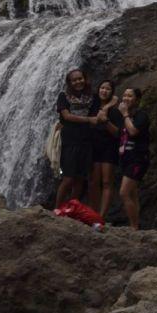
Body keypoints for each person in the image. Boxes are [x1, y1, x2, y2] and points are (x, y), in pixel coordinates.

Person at [55, 68, 100, 208]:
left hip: (86, 141)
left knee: (80, 178)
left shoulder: (93, 97)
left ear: (85, 79)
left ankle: (70, 209)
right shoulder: (64, 96)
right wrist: (88, 120)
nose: (78, 82)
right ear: (69, 83)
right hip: (70, 141)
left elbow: (96, 116)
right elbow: (66, 116)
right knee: (68, 178)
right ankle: (56, 209)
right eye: (74, 80)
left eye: (80, 78)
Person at [117, 87, 150, 230]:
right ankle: (136, 226)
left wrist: (125, 114)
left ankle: (133, 226)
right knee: (132, 193)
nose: (126, 98)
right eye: (124, 95)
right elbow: (119, 134)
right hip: (126, 158)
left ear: (137, 99)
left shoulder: (141, 116)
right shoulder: (125, 117)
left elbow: (133, 131)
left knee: (124, 193)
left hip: (138, 159)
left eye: (130, 96)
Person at [88, 79, 121, 218]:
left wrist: (106, 120)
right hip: (94, 147)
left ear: (112, 92)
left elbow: (118, 133)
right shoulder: (92, 105)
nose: (104, 91)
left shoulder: (115, 111)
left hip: (109, 148)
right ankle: (93, 214)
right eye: (102, 88)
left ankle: (101, 217)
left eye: (108, 89)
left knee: (107, 182)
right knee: (93, 182)